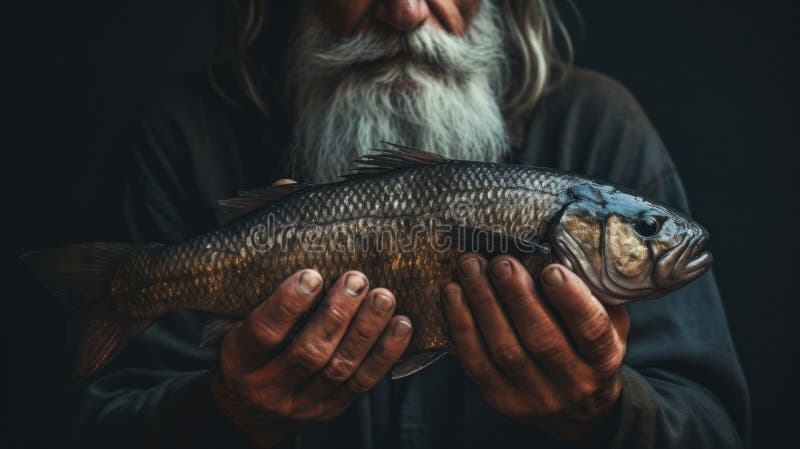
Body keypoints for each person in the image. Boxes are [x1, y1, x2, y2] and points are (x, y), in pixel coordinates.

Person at [71, 1, 749, 448]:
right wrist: (227, 412)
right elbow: (96, 429)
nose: (405, 13)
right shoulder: (184, 132)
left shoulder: (600, 127)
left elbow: (715, 429)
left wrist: (603, 411)